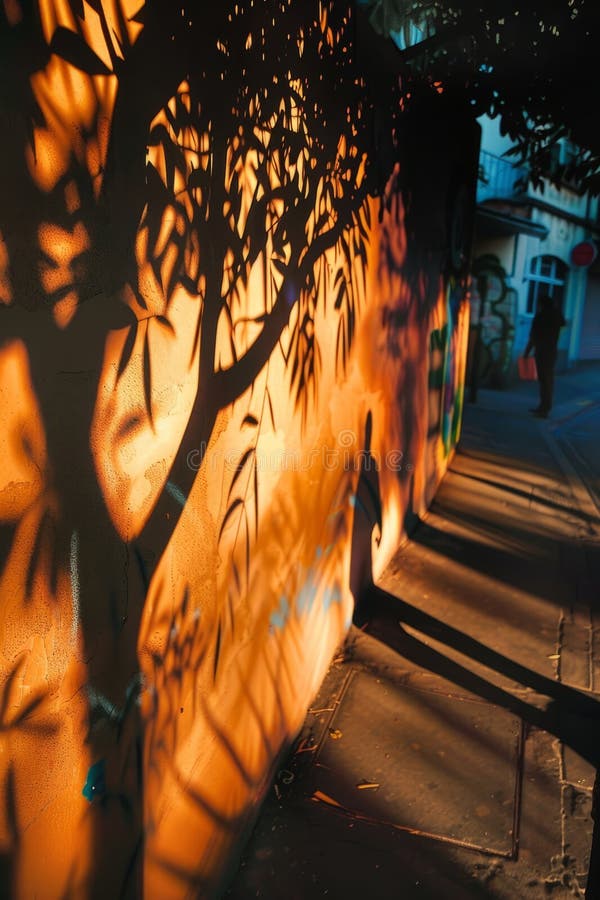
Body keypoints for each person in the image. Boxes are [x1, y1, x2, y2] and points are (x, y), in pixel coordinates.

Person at [523, 294, 566, 418]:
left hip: (541, 350)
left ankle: (544, 408)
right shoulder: (556, 315)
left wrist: (527, 352)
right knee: (548, 379)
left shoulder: (540, 316)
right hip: (552, 350)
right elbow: (563, 324)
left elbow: (533, 336)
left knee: (543, 380)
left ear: (541, 304)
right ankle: (545, 406)